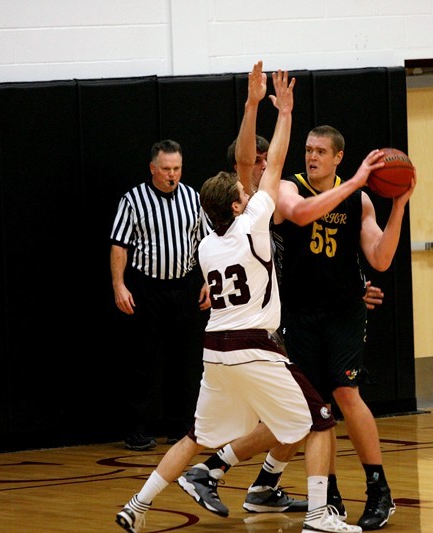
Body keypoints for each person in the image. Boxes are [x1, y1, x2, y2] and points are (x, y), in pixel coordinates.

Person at [115, 62, 362, 533]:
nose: (250, 189)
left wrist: (252, 105)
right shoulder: (253, 226)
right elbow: (261, 171)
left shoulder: (207, 243)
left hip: (215, 351)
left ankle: (137, 505)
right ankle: (317, 517)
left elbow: (251, 174)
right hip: (254, 344)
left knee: (194, 436)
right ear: (235, 204)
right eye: (241, 191)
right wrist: (283, 112)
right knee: (321, 422)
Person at [176, 67, 388, 520]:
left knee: (314, 409)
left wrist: (355, 286)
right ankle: (246, 478)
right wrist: (256, 106)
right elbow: (271, 188)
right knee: (304, 413)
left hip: (314, 312)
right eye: (252, 162)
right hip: (276, 321)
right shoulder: (262, 197)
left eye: (318, 151)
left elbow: (358, 251)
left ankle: (256, 480)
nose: (259, 164)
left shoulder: (272, 195)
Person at [270, 125, 415, 530]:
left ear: (338, 157)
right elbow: (297, 214)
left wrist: (399, 206)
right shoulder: (288, 188)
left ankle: (379, 491)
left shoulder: (360, 200)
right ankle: (329, 495)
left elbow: (381, 260)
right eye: (307, 149)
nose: (311, 156)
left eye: (320, 151)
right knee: (318, 408)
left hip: (344, 311)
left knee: (346, 393)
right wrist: (354, 183)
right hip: (299, 313)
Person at [110, 139, 211, 451]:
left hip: (184, 287)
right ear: (152, 169)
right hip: (147, 288)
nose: (172, 175)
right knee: (142, 359)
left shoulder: (194, 198)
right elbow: (119, 245)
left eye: (177, 168)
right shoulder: (133, 200)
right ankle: (136, 429)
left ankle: (180, 428)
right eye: (166, 169)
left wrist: (209, 280)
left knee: (185, 361)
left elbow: (207, 242)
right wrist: (119, 285)